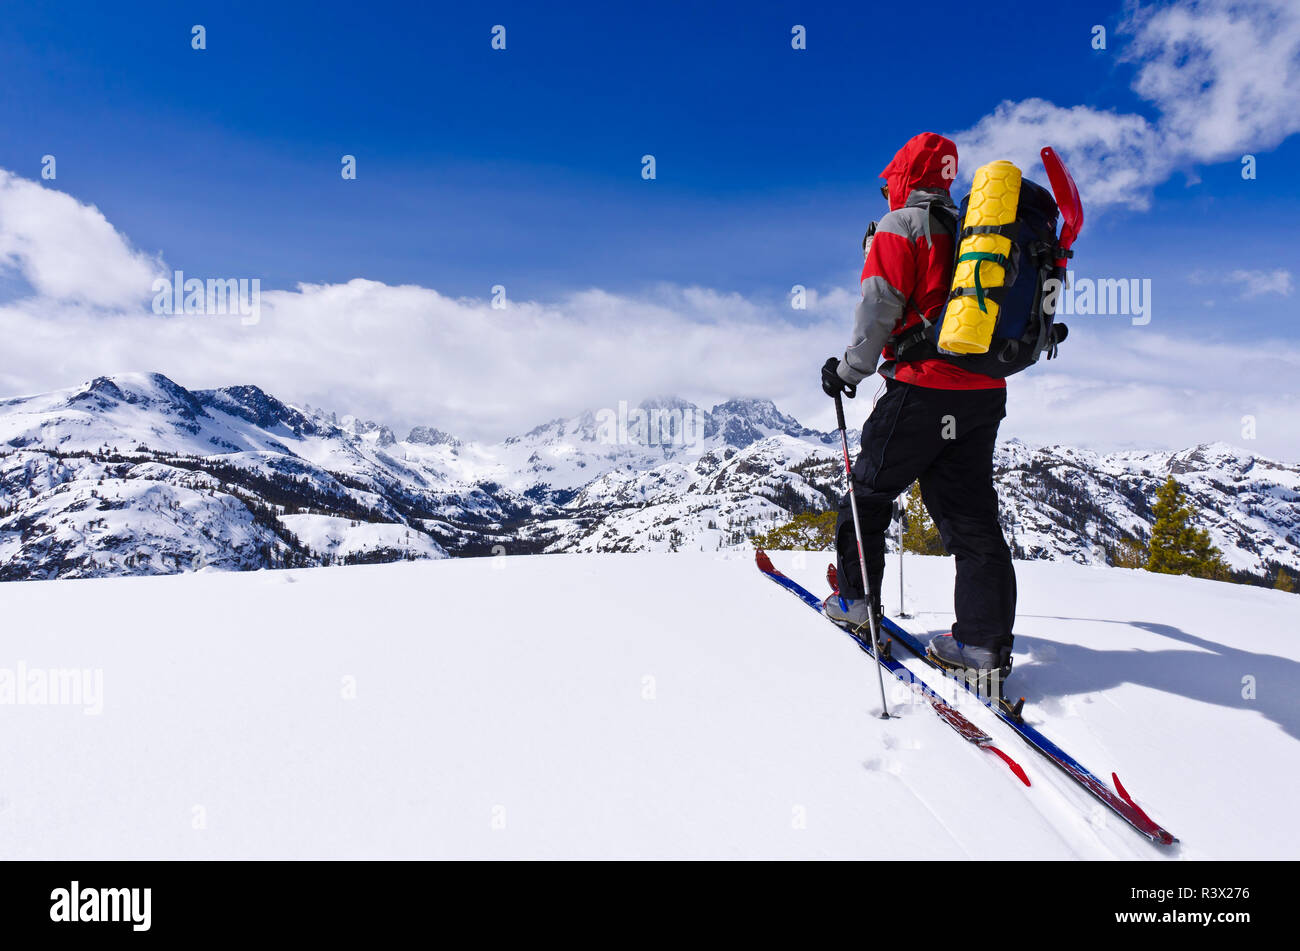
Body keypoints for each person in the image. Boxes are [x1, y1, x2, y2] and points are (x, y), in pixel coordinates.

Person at [819, 131, 1016, 679]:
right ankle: (983, 647)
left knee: (867, 496)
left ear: (904, 177)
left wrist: (848, 370)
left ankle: (857, 604)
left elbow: (878, 306)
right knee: (973, 520)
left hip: (923, 387)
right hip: (984, 392)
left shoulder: (900, 227)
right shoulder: (980, 232)